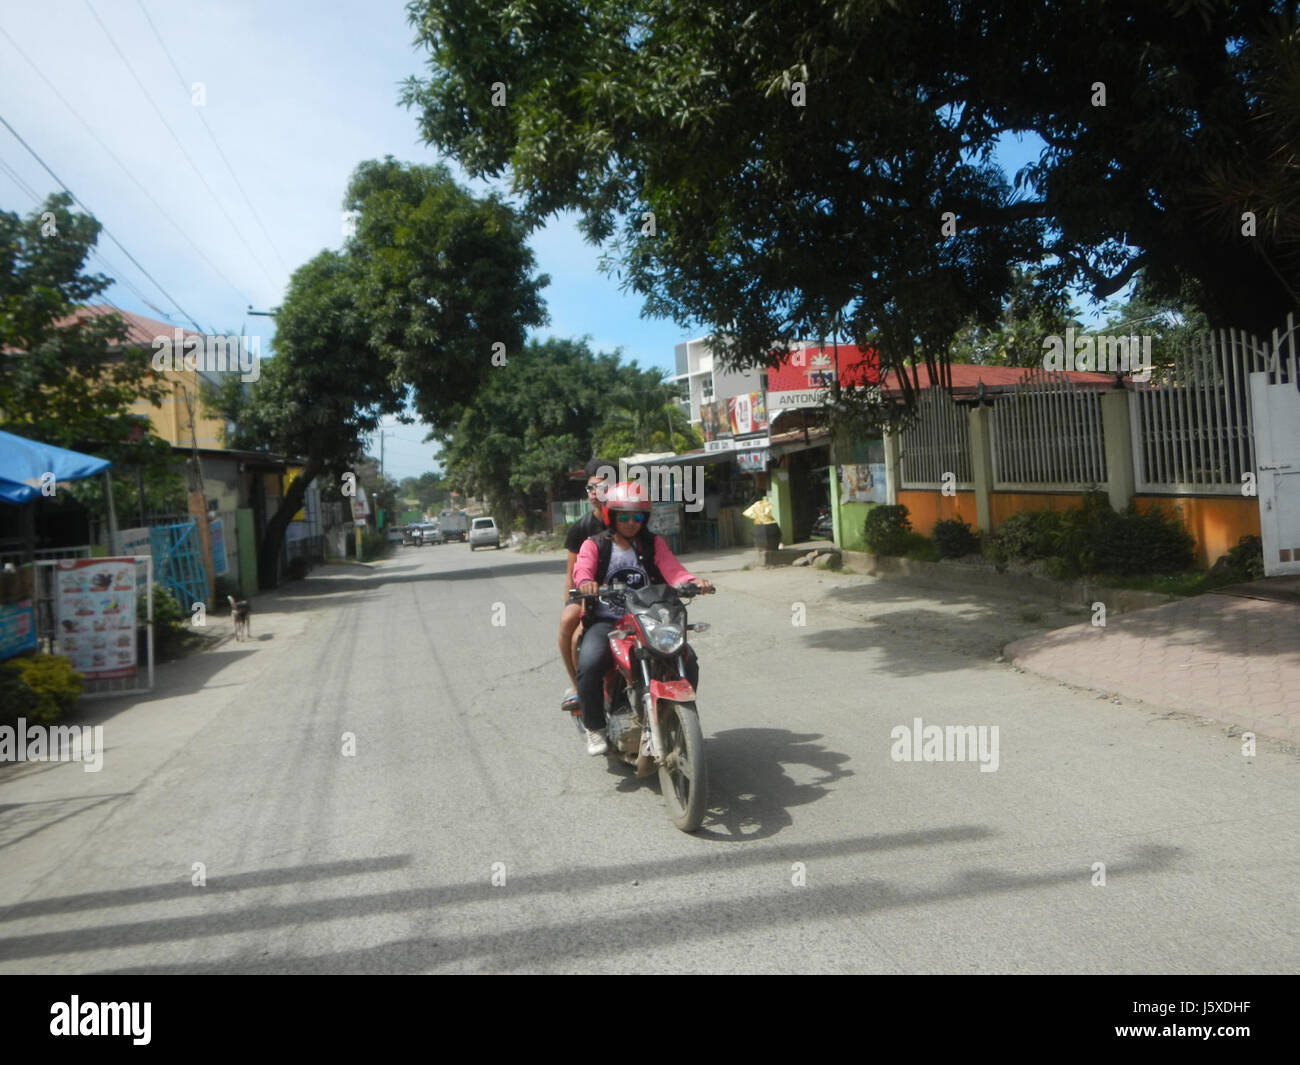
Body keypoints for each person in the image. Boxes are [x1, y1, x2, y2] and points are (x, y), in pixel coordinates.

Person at [572, 480, 714, 755]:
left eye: (636, 516)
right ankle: (595, 727)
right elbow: (582, 570)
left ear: (644, 518)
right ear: (610, 516)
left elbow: (672, 570)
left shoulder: (652, 543)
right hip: (607, 621)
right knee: (589, 663)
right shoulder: (595, 545)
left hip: (649, 618)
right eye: (623, 516)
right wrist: (587, 582)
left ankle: (678, 715)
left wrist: (691, 581)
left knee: (688, 658)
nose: (630, 522)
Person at [558, 458, 616, 711]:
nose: (594, 494)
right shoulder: (581, 527)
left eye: (601, 488)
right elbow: (571, 572)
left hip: (625, 591)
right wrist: (578, 602)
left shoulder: (628, 518)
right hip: (588, 593)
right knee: (568, 624)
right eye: (590, 488)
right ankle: (578, 687)